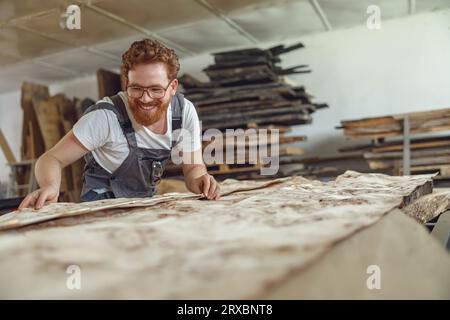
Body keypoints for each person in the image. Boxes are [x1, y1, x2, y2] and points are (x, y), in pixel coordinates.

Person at [19, 39, 220, 210]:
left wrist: (200, 179)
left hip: (143, 202)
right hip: (100, 206)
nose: (146, 99)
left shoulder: (183, 113)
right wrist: (50, 186)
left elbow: (193, 167)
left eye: (156, 90)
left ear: (173, 87)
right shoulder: (105, 117)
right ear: (126, 84)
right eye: (136, 88)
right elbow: (51, 158)